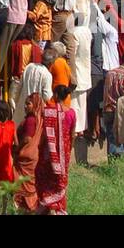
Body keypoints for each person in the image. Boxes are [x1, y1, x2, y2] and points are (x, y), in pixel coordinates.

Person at [37, 83, 76, 214]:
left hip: (48, 152)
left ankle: (48, 205)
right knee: (60, 179)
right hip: (64, 152)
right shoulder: (71, 113)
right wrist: (69, 149)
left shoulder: (48, 111)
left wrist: (40, 147)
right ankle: (58, 207)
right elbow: (72, 135)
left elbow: (43, 133)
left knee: (46, 177)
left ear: (56, 95)